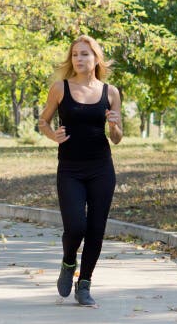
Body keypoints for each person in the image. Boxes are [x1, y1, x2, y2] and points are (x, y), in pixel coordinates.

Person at [38, 34, 123, 306]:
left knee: (96, 229)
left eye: (85, 54)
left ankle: (84, 284)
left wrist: (114, 125)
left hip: (101, 168)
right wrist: (54, 136)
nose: (79, 59)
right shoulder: (60, 88)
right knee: (75, 227)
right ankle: (67, 262)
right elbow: (43, 121)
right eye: (75, 54)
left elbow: (118, 138)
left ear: (96, 58)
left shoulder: (110, 92)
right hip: (70, 169)